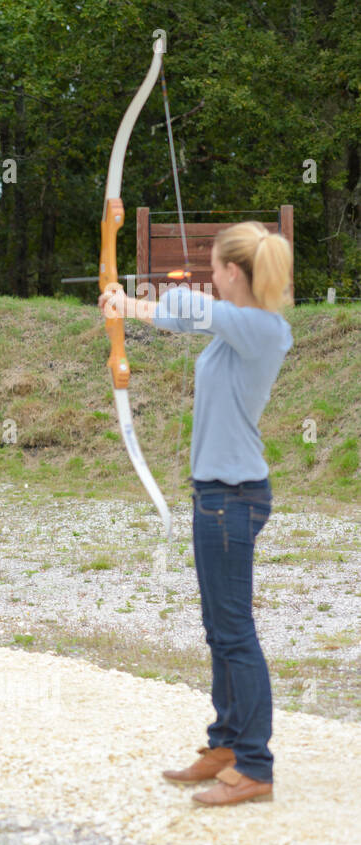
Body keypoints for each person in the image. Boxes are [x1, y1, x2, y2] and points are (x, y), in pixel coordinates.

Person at [99, 222, 293, 807]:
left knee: (235, 634)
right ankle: (226, 745)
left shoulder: (262, 327)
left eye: (215, 266)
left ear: (235, 272)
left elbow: (188, 307)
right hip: (217, 495)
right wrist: (132, 307)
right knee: (220, 629)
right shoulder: (235, 329)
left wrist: (128, 303)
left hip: (232, 498)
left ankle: (255, 764)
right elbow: (190, 313)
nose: (210, 275)